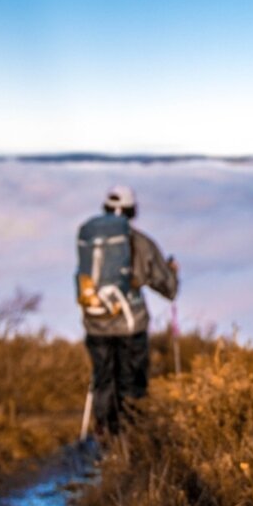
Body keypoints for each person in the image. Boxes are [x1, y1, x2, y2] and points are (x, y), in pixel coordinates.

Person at [77, 185, 178, 436]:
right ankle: (130, 437)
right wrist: (172, 272)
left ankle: (103, 434)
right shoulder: (140, 243)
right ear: (133, 209)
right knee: (131, 382)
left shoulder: (92, 241)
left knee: (103, 378)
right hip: (131, 323)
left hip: (96, 322)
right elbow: (166, 286)